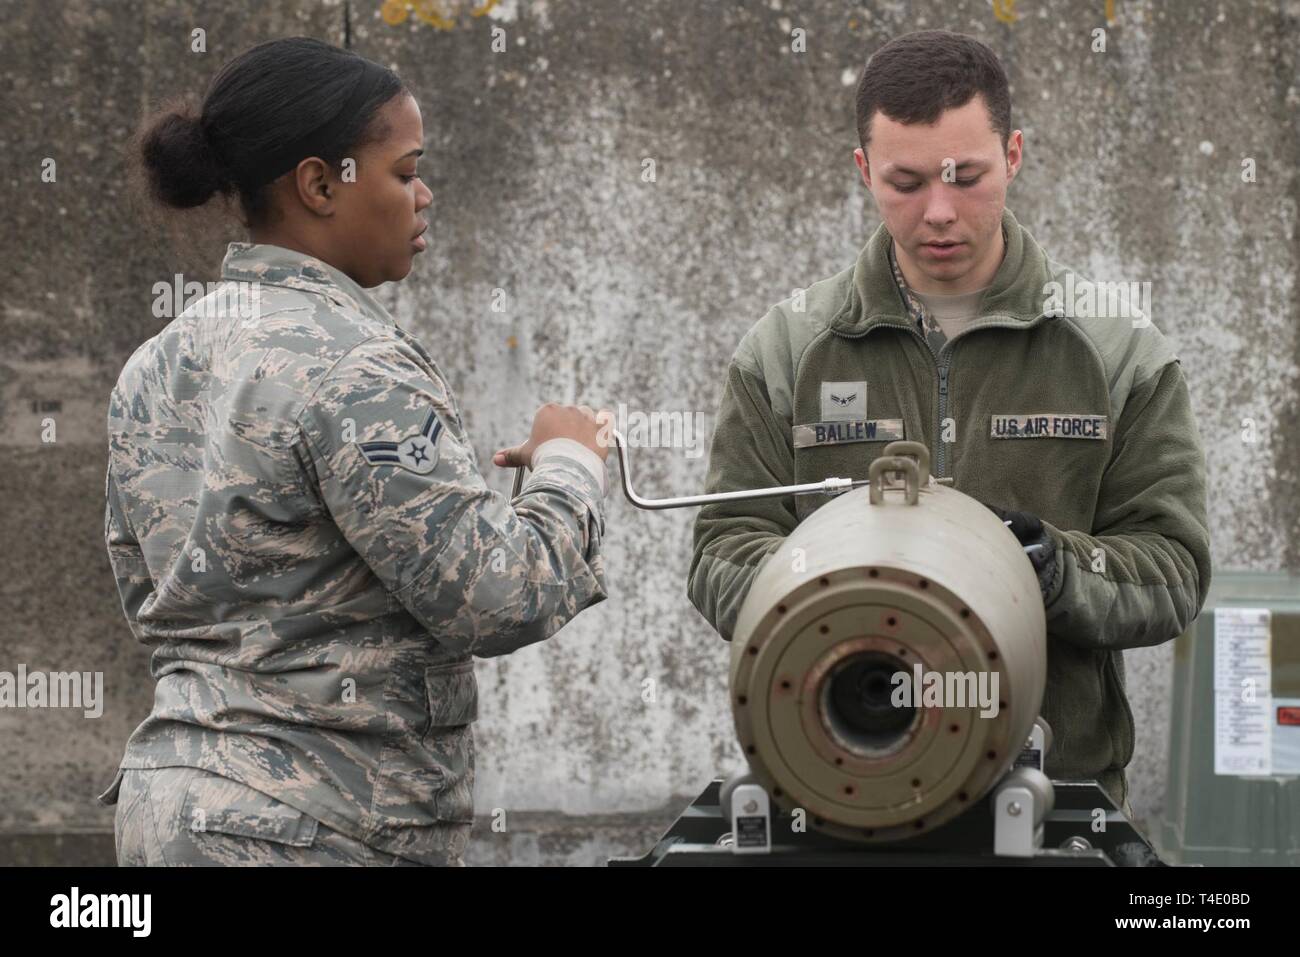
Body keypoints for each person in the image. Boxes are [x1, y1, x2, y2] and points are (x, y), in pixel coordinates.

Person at [100, 36, 611, 866]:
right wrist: (570, 466)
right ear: (319, 183)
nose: (425, 196)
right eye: (404, 172)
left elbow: (147, 591)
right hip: (318, 826)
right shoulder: (355, 364)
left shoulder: (157, 362)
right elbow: (496, 596)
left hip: (169, 810)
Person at [688, 30, 1211, 814]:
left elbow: (1174, 569)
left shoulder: (1117, 350)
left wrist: (1054, 568)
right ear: (863, 169)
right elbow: (720, 556)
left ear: (1016, 155)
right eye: (904, 182)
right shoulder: (788, 351)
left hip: (1052, 801)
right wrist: (841, 579)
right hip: (842, 788)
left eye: (967, 177)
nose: (939, 212)